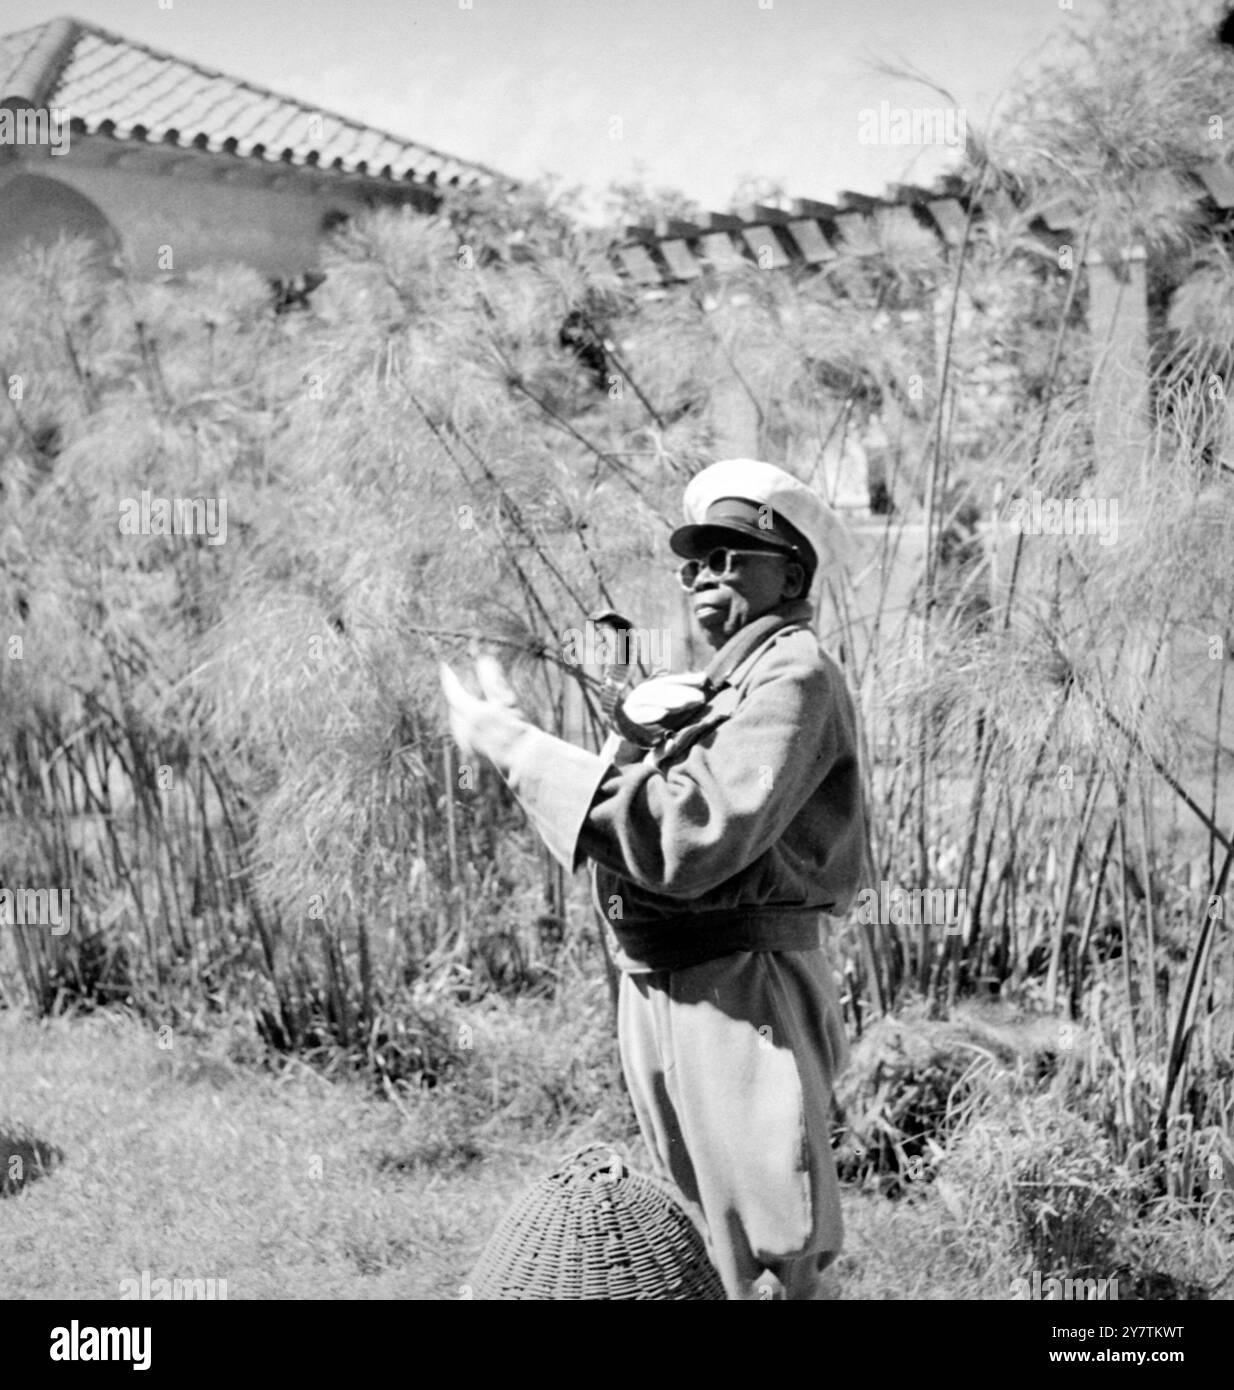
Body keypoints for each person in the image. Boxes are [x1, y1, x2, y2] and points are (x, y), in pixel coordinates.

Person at [440, 458, 868, 1300]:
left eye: (733, 554)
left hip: (744, 988)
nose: (707, 574)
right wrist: (635, 737)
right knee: (704, 1247)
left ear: (793, 572)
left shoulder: (795, 674)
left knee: (773, 1254)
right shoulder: (728, 684)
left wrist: (519, 748)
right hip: (665, 978)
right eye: (695, 561)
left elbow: (686, 839)